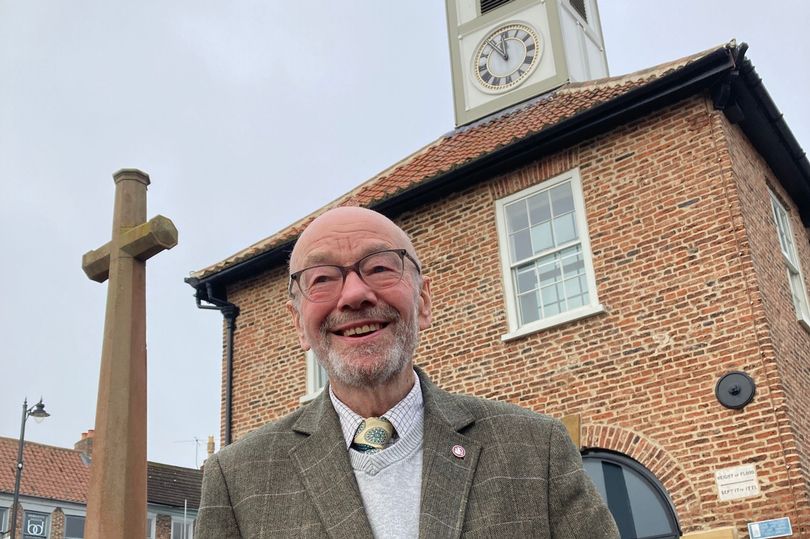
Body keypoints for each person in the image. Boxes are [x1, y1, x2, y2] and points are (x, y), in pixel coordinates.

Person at [196, 206, 619, 538]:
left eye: (380, 267)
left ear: (423, 302)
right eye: (322, 278)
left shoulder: (537, 449)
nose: (355, 294)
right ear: (298, 325)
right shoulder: (236, 480)